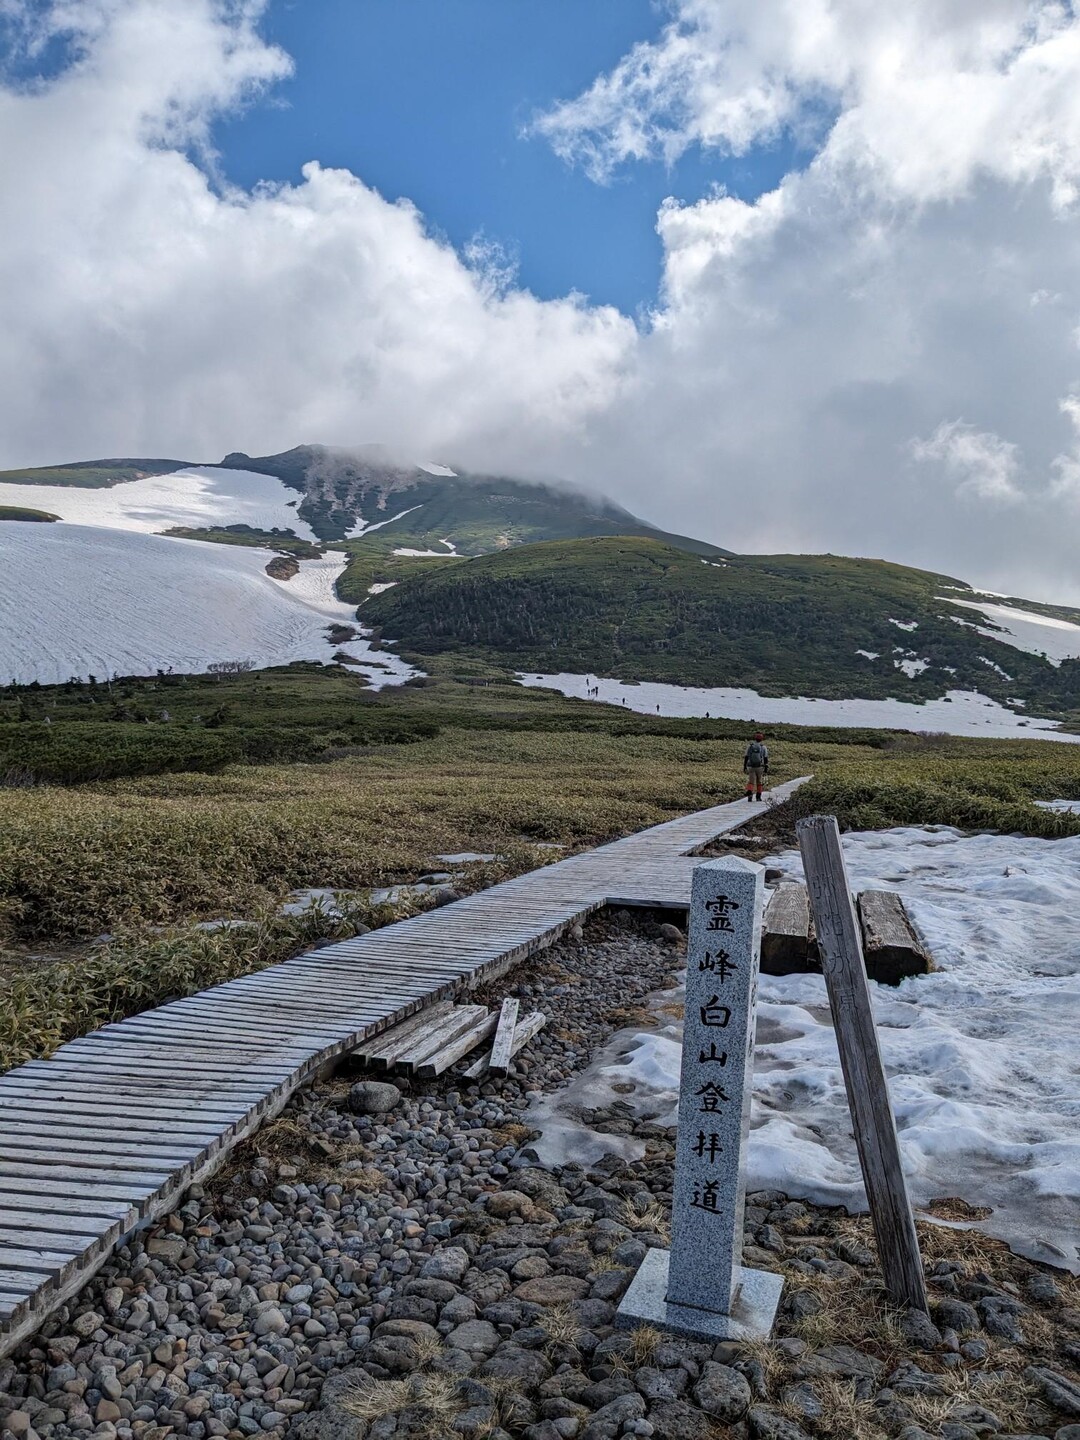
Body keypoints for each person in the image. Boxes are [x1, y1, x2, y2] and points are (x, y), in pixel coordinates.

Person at [743, 732, 769, 801]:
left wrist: (744, 766)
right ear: (762, 739)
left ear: (755, 738)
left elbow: (746, 757)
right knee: (759, 782)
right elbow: (765, 758)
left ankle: (750, 795)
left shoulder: (750, 746)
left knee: (751, 781)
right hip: (760, 767)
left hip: (750, 766)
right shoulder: (763, 747)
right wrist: (766, 767)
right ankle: (758, 797)